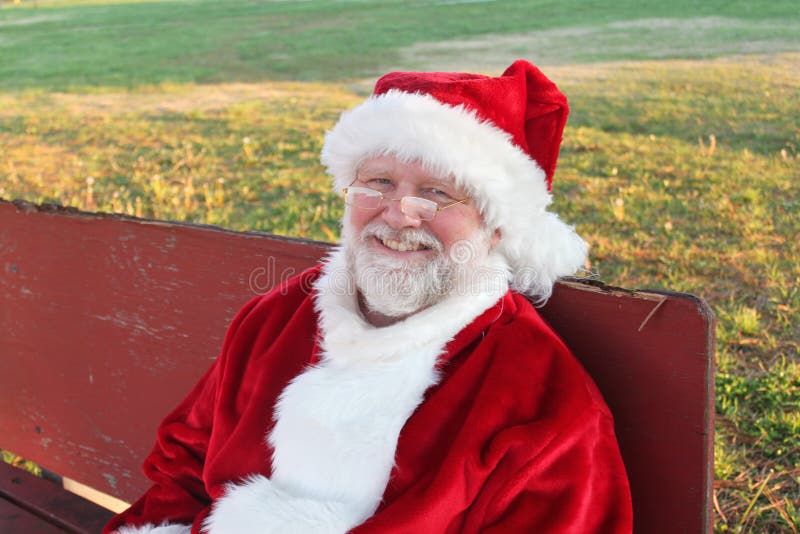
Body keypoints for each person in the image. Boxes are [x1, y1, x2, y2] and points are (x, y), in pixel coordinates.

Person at [105, 59, 632, 534]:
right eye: (378, 181)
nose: (399, 212)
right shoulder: (274, 319)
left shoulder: (542, 405)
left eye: (437, 192)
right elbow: (183, 471)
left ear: (496, 228)